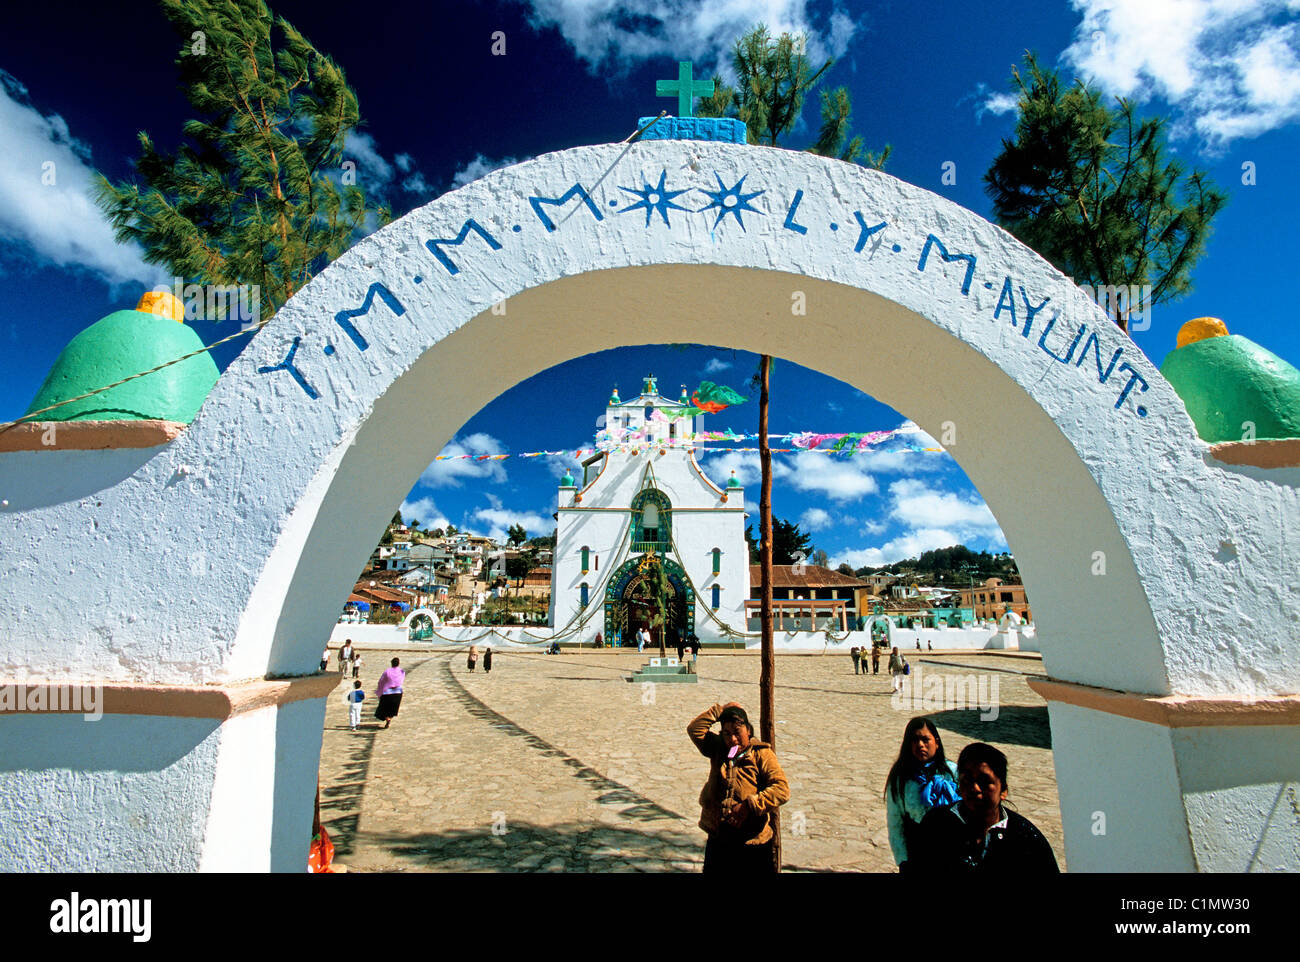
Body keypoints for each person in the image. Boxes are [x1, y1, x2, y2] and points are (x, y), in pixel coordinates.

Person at [914, 742, 1059, 874]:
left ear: (1003, 790)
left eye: (984, 781)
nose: (975, 788)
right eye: (967, 779)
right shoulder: (936, 826)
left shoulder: (1026, 839)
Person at [687, 702, 790, 874]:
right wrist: (720, 710)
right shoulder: (719, 748)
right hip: (720, 837)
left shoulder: (761, 754)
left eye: (737, 732)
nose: (732, 739)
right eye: (727, 733)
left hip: (752, 841)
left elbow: (782, 789)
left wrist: (749, 806)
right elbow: (694, 729)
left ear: (748, 730)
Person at [883, 717, 960, 874]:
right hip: (917, 850)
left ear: (936, 742)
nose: (920, 745)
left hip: (952, 848)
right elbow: (895, 821)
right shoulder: (901, 778)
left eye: (926, 739)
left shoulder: (953, 773)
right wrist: (902, 859)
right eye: (914, 740)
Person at [374, 657, 405, 730]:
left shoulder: (387, 671)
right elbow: (401, 680)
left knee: (383, 709)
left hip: (387, 693)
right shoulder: (401, 671)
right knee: (393, 709)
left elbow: (381, 681)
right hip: (397, 692)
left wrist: (379, 691)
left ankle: (387, 718)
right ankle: (389, 718)